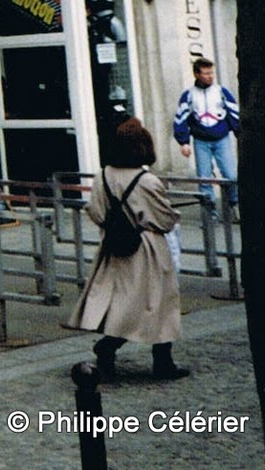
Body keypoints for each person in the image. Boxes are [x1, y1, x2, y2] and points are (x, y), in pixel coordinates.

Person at [68, 118, 189, 382]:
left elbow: (95, 211)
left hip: (114, 248)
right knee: (159, 303)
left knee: (123, 305)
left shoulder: (102, 176)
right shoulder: (147, 181)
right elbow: (165, 219)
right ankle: (162, 361)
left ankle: (108, 348)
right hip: (147, 250)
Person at [173, 56, 240, 217]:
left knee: (230, 175)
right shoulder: (189, 95)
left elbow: (234, 112)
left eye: (211, 72)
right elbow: (181, 117)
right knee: (204, 178)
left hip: (221, 139)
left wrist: (240, 134)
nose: (210, 76)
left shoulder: (221, 92)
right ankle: (210, 213)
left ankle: (235, 204)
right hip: (200, 141)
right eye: (205, 73)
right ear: (196, 74)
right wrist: (184, 142)